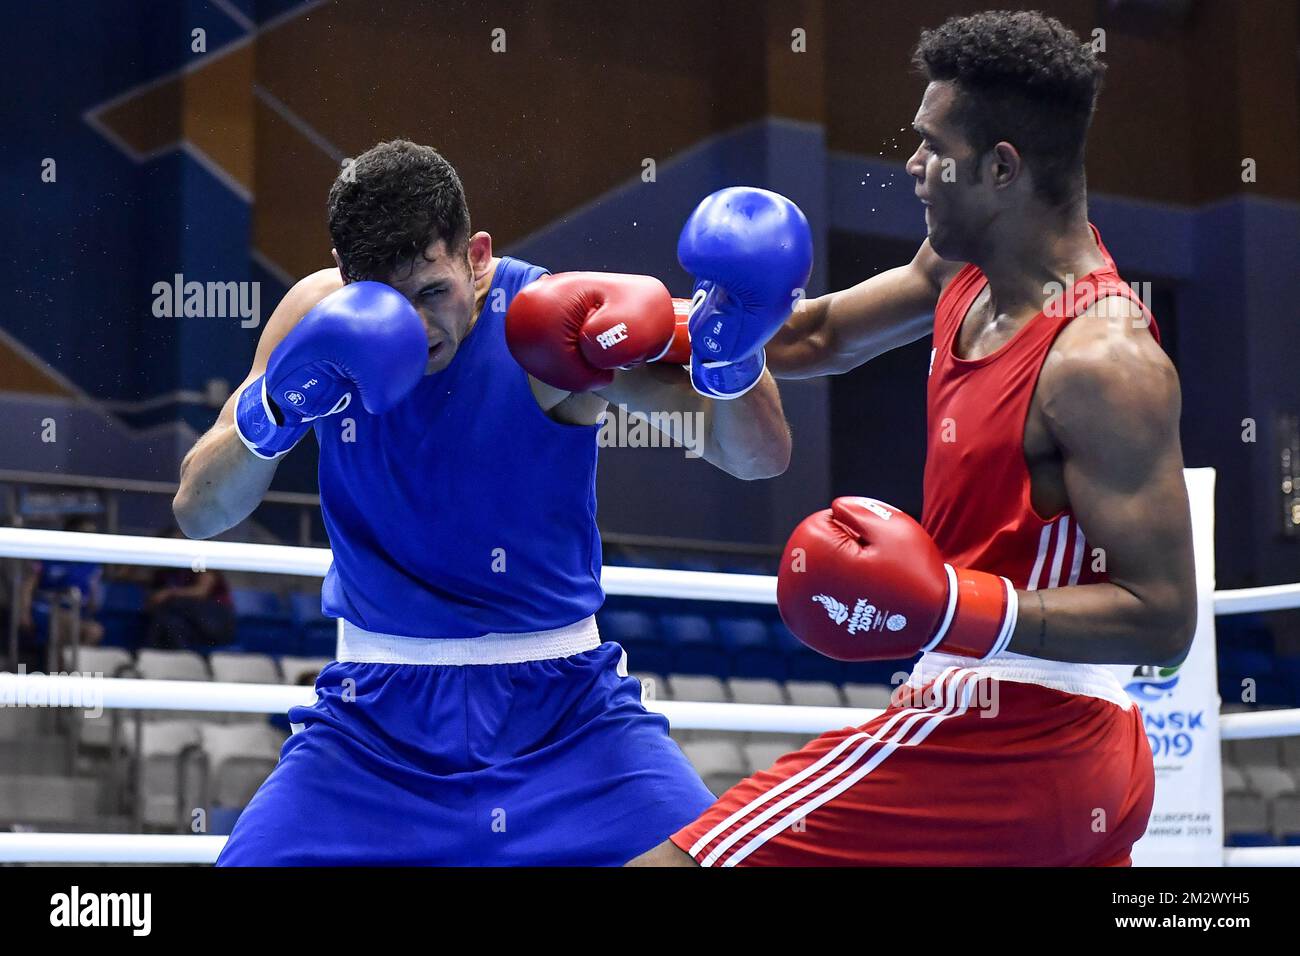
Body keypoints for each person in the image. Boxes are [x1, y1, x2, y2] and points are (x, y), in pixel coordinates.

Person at [631, 10, 1195, 867]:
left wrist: (950, 604)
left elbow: (1164, 620)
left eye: (934, 146)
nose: (913, 165)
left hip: (1020, 726)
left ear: (1001, 167)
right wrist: (651, 326)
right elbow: (814, 336)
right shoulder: (962, 273)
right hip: (1058, 761)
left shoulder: (1104, 360)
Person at [172, 139, 810, 865]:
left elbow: (757, 459)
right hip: (370, 730)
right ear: (345, 277)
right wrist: (274, 412)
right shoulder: (314, 317)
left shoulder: (549, 321)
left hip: (568, 719)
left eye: (432, 293)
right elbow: (200, 510)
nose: (414, 327)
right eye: (385, 299)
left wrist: (733, 362)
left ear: (477, 256)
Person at [19, 515, 105, 668]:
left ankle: (75, 669)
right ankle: (58, 674)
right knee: (59, 628)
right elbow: (28, 587)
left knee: (94, 631)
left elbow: (93, 596)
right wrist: (24, 613)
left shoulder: (92, 561)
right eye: (84, 533)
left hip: (74, 612)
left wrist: (91, 605)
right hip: (45, 610)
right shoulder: (50, 555)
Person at [144, 528, 235, 650]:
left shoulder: (199, 561)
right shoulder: (167, 570)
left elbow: (201, 591)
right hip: (187, 623)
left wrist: (169, 593)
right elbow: (126, 576)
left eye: (180, 542)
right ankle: (155, 655)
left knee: (172, 606)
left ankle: (154, 651)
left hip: (214, 620)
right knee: (170, 621)